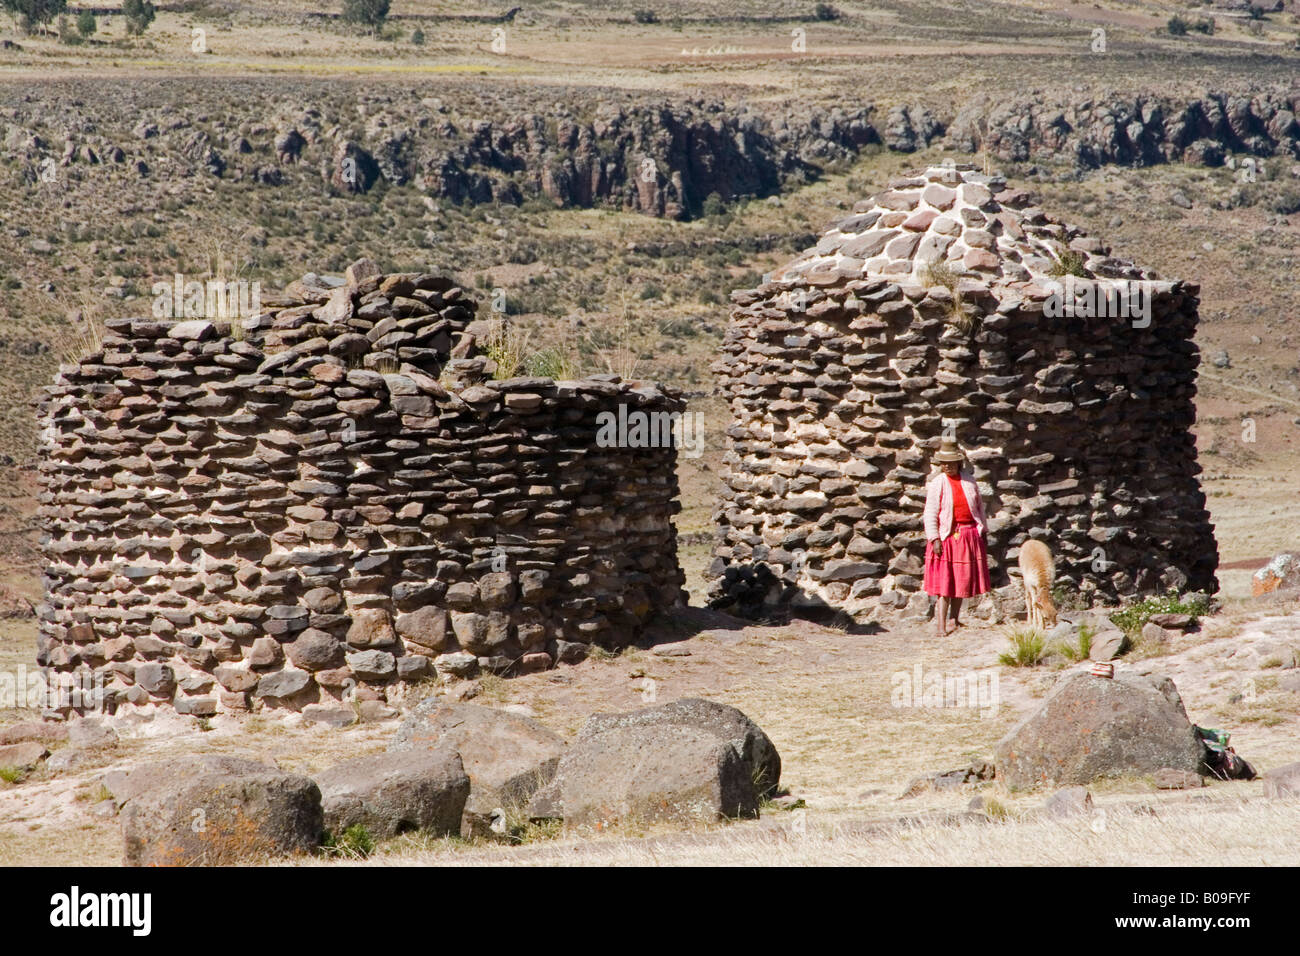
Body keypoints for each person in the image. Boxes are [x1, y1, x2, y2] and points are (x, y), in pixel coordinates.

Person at [922, 438, 991, 637]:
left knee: (961, 581)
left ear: (959, 463)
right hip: (947, 537)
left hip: (968, 535)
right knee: (945, 585)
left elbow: (979, 508)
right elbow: (930, 512)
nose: (947, 466)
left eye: (951, 463)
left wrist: (983, 530)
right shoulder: (938, 483)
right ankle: (941, 626)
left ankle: (955, 619)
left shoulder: (969, 481)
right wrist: (934, 538)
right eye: (943, 463)